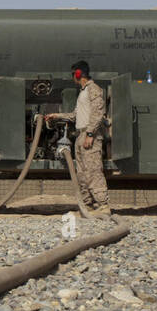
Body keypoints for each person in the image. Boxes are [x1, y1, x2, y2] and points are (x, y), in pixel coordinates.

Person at [46, 60, 111, 216]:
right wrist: (57, 116)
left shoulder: (93, 89)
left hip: (90, 136)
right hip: (80, 135)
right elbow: (75, 116)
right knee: (82, 173)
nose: (72, 78)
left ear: (78, 73)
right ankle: (87, 205)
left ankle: (103, 205)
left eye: (73, 74)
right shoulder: (83, 92)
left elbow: (98, 113)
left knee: (93, 170)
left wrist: (90, 134)